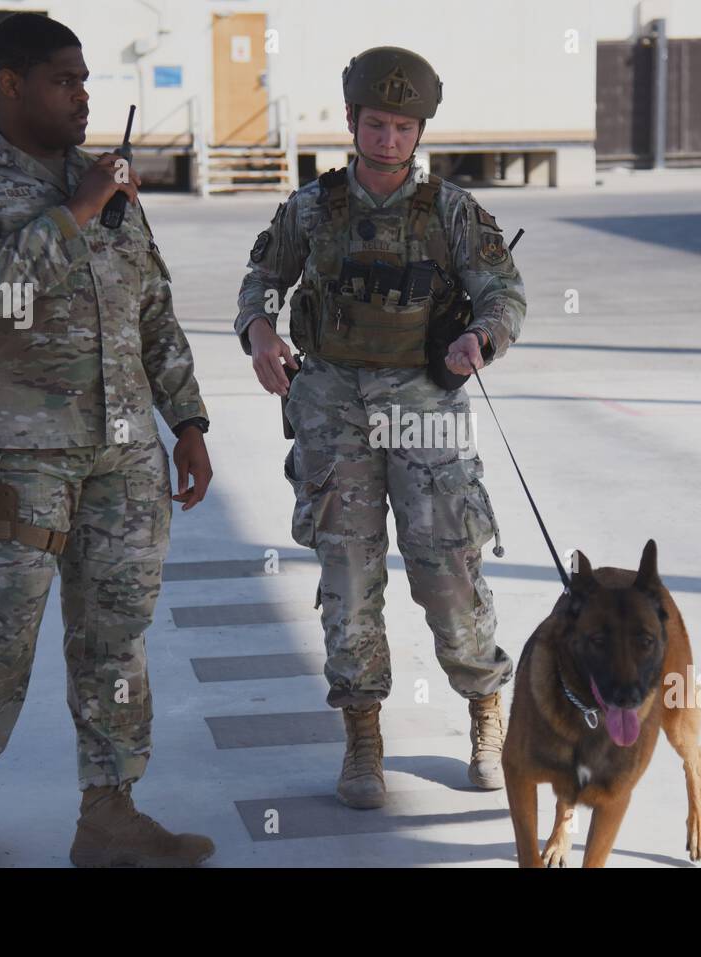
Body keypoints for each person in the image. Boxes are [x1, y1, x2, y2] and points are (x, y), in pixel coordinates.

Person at [0, 12, 214, 866]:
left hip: (125, 455)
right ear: (10, 84)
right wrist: (75, 214)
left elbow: (149, 305)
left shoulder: (100, 178)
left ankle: (109, 812)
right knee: (0, 628)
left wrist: (186, 420)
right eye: (65, 80)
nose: (84, 96)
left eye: (86, 80)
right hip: (17, 457)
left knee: (116, 634)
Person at [234, 47, 526, 808]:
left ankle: (486, 709)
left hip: (426, 408)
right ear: (351, 123)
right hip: (333, 410)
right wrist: (260, 333)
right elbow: (260, 281)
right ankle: (362, 734)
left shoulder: (453, 212)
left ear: (421, 130)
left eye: (402, 126)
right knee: (348, 577)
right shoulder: (311, 209)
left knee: (448, 570)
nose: (387, 139)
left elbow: (503, 292)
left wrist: (482, 339)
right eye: (375, 123)